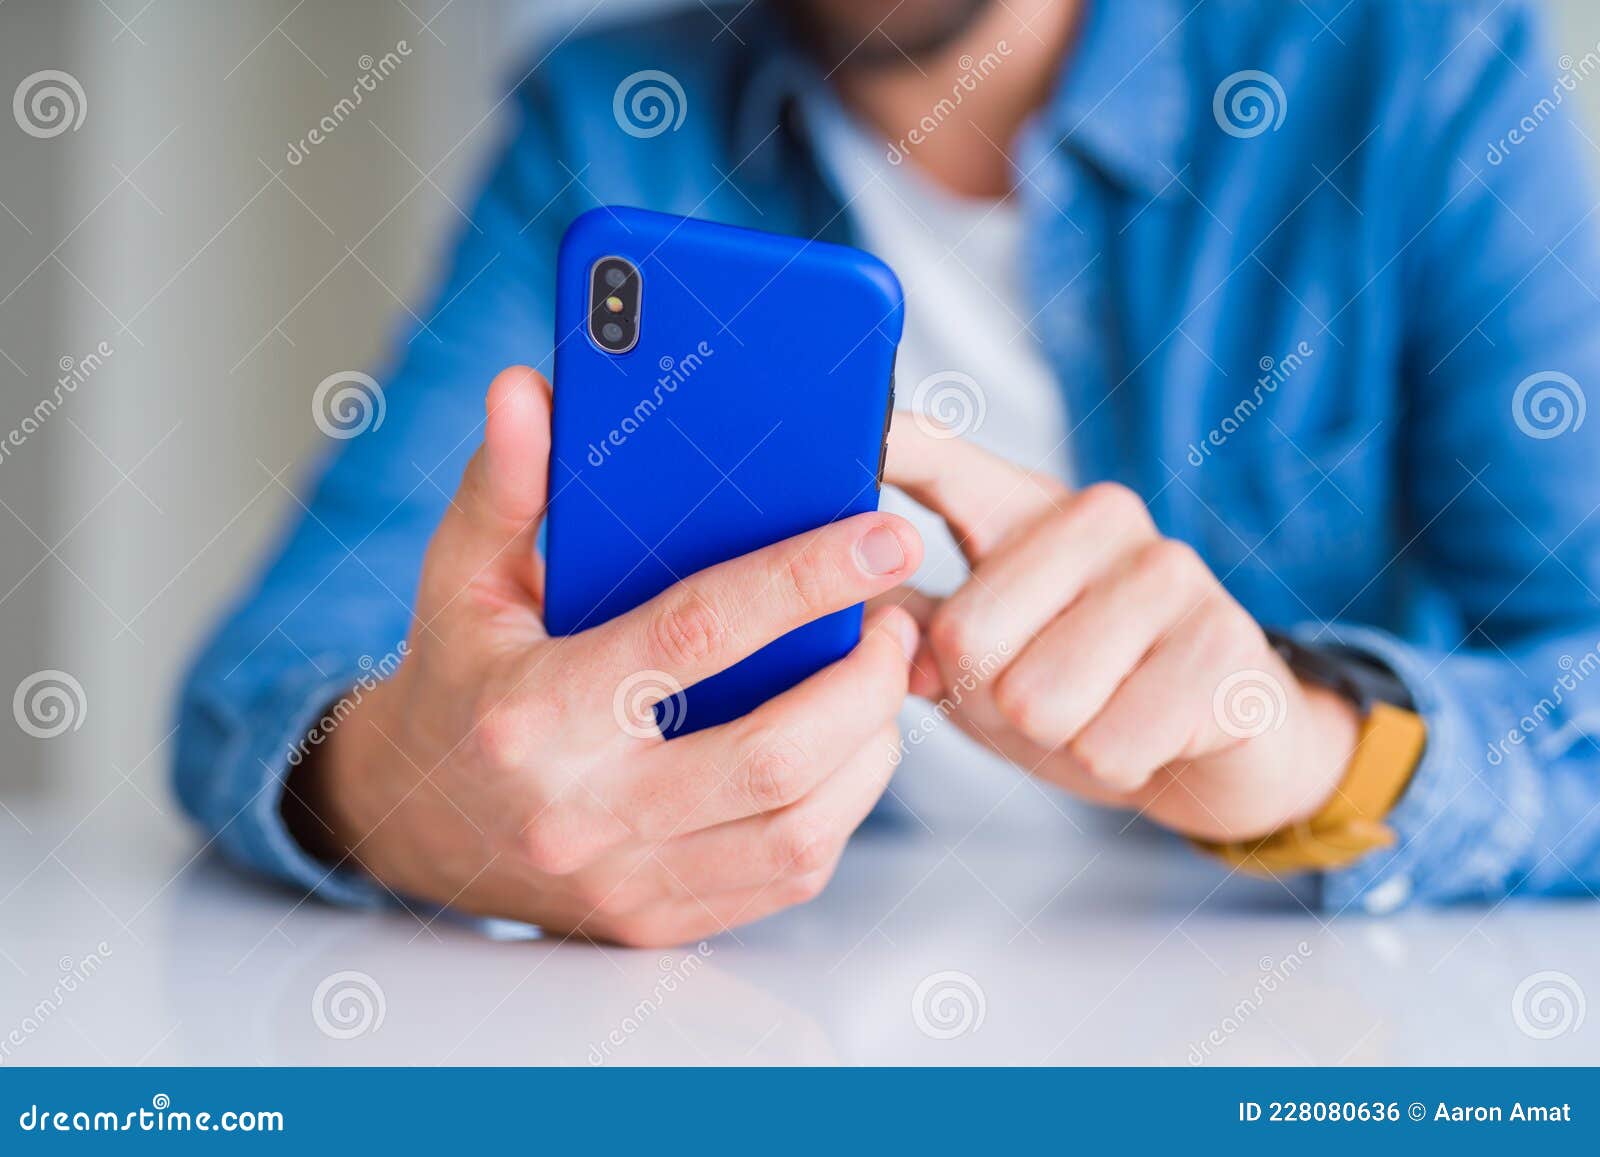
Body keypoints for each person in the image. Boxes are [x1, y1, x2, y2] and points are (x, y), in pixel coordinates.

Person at [175, 0, 1600, 947]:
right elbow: (261, 684)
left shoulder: (1415, 67)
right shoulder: (612, 117)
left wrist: (1309, 750)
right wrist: (403, 791)